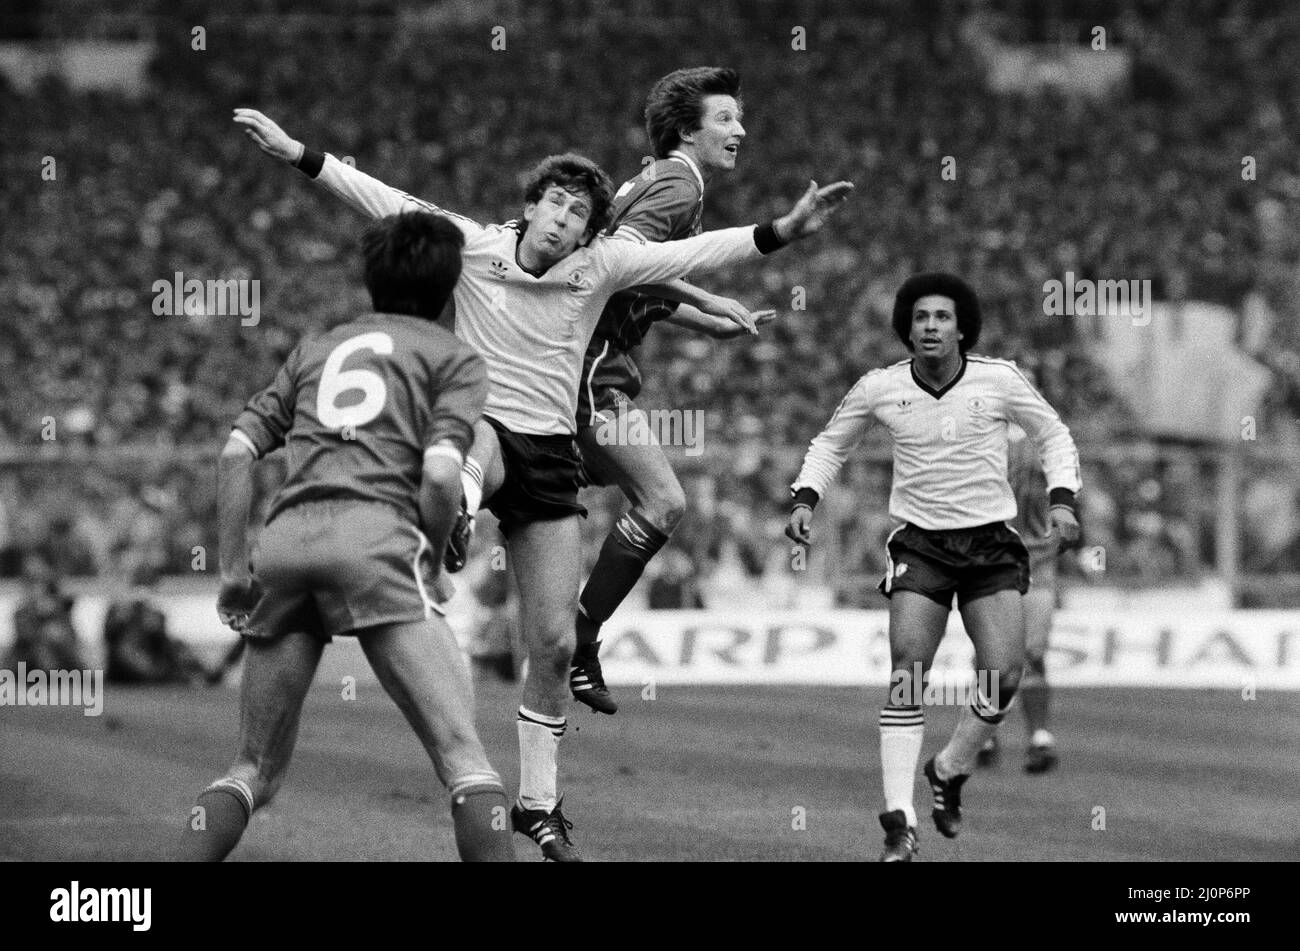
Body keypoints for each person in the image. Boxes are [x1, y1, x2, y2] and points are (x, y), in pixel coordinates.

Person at [233, 105, 852, 860]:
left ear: (591, 229)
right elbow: (383, 197)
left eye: (579, 211)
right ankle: (449, 520)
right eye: (554, 202)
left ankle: (538, 803)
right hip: (481, 428)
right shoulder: (475, 245)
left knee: (554, 644)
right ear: (531, 207)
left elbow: (703, 250)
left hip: (551, 451)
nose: (562, 218)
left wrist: (783, 230)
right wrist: (296, 151)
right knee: (472, 445)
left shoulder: (603, 264)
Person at [180, 211, 515, 862]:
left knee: (252, 768)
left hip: (284, 544)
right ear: (451, 294)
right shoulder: (455, 358)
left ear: (371, 283)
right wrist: (439, 559)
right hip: (376, 542)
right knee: (464, 756)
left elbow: (233, 454)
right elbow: (443, 473)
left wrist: (230, 570)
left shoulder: (316, 348)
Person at [786, 273, 1081, 862]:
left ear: (962, 327)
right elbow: (829, 443)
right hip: (920, 547)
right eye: (920, 317)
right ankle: (899, 820)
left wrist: (1063, 500)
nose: (930, 326)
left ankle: (949, 768)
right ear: (907, 327)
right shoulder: (880, 387)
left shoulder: (999, 380)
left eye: (942, 317)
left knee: (1004, 675)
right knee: (908, 673)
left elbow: (1053, 434)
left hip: (991, 547)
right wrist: (804, 497)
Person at [567, 67, 772, 715]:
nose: (740, 130)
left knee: (551, 502)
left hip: (580, 364)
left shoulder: (657, 181)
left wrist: (705, 321)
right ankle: (578, 635)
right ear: (687, 129)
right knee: (661, 500)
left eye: (739, 118)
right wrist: (708, 292)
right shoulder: (679, 185)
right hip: (590, 370)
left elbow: (637, 279)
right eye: (725, 119)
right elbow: (619, 260)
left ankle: (560, 637)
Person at [976, 422, 1061, 773]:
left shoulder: (1051, 443)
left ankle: (1039, 737)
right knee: (990, 654)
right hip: (989, 561)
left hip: (1037, 564)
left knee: (1033, 651)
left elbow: (1068, 505)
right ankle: (987, 732)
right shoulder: (979, 437)